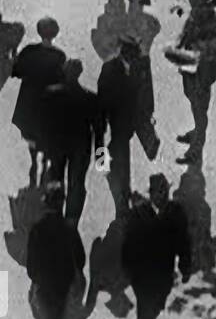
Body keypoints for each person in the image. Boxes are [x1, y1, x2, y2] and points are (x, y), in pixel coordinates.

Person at [120, 174, 192, 319]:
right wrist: (127, 270)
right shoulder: (137, 215)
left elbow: (184, 243)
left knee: (157, 304)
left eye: (165, 192)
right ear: (151, 195)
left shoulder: (176, 213)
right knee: (145, 308)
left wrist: (185, 267)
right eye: (159, 192)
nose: (163, 196)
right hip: (142, 275)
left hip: (164, 273)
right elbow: (127, 246)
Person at [167, 0, 216, 164]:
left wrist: (209, 59)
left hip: (202, 72)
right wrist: (176, 50)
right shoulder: (195, 14)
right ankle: (196, 133)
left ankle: (196, 151)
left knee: (200, 110)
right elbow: (184, 37)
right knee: (195, 105)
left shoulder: (210, 18)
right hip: (190, 69)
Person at [97, 35, 160, 218]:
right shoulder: (109, 69)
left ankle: (127, 193)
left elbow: (148, 90)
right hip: (119, 120)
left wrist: (149, 115)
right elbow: (102, 102)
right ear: (125, 53)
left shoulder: (141, 65)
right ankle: (123, 201)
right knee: (120, 154)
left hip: (137, 116)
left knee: (150, 148)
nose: (137, 56)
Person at [41, 59, 104, 225]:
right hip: (80, 148)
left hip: (57, 147)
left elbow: (43, 124)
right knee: (76, 185)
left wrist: (43, 148)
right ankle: (71, 222)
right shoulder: (90, 98)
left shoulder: (50, 94)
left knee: (56, 182)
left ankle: (54, 217)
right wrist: (101, 158)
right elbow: (99, 131)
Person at [26, 182, 85, 319]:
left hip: (46, 287)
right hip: (62, 287)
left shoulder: (37, 229)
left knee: (47, 314)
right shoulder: (68, 230)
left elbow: (31, 269)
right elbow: (80, 259)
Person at [10, 17, 67, 185]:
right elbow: (62, 80)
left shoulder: (29, 51)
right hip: (48, 101)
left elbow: (16, 72)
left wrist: (14, 55)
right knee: (46, 131)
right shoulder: (59, 56)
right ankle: (44, 161)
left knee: (31, 132)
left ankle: (34, 159)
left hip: (30, 100)